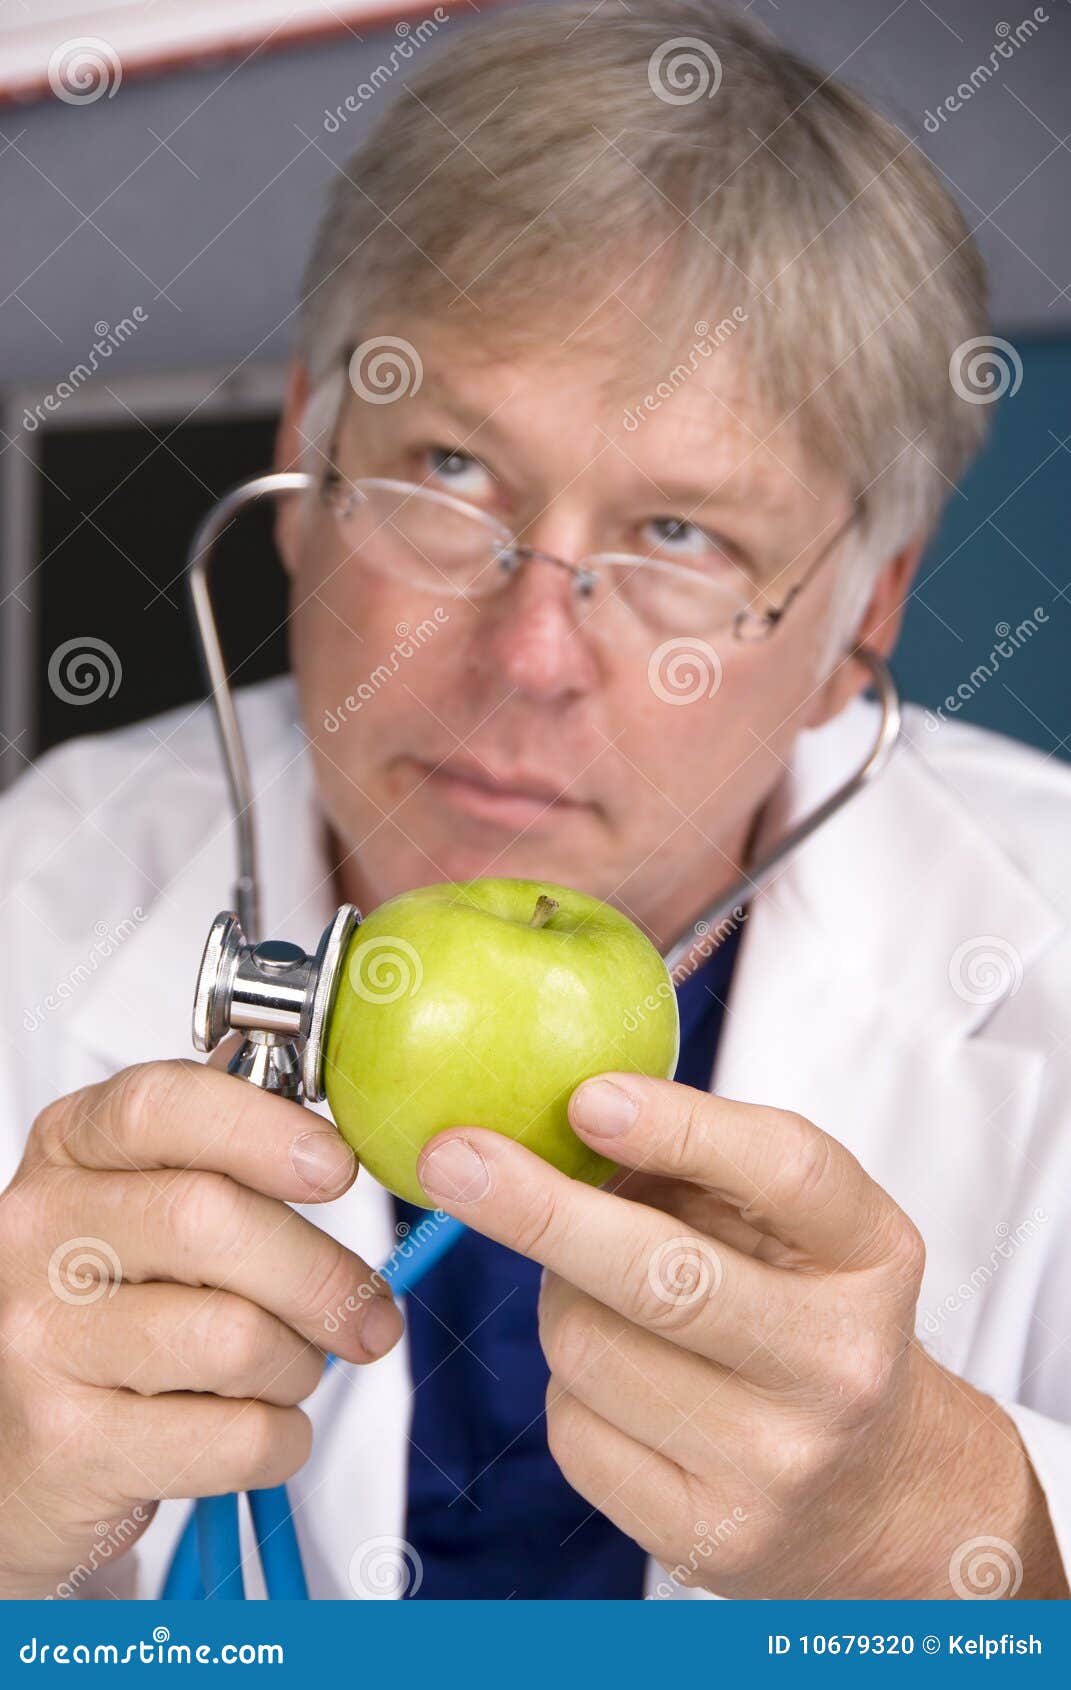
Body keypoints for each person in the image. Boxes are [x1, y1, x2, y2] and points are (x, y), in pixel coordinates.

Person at [1, 0, 1068, 1601]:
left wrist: (951, 1527)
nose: (530, 652)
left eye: (686, 538)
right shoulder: (32, 898)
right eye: (447, 473)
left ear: (865, 613)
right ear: (308, 449)